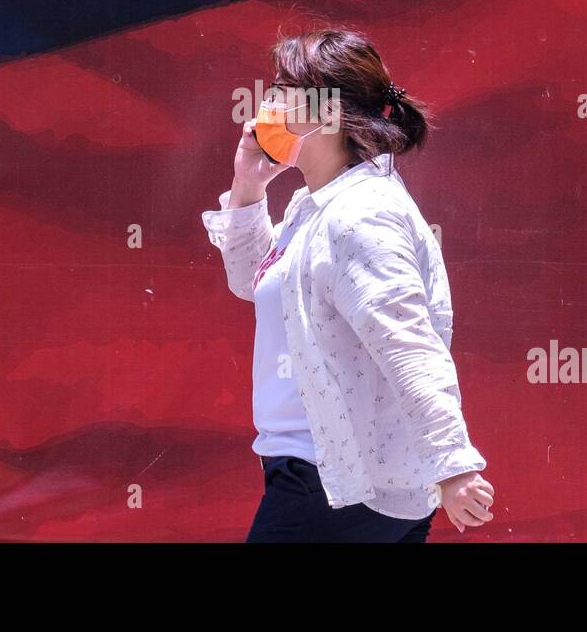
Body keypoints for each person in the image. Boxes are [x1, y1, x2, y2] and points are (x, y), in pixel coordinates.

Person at [201, 27, 495, 542]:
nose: (266, 103)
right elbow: (255, 283)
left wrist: (453, 465)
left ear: (329, 114)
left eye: (282, 89)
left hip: (333, 488)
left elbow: (407, 343)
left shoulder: (359, 215)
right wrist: (247, 188)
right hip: (331, 481)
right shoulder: (316, 206)